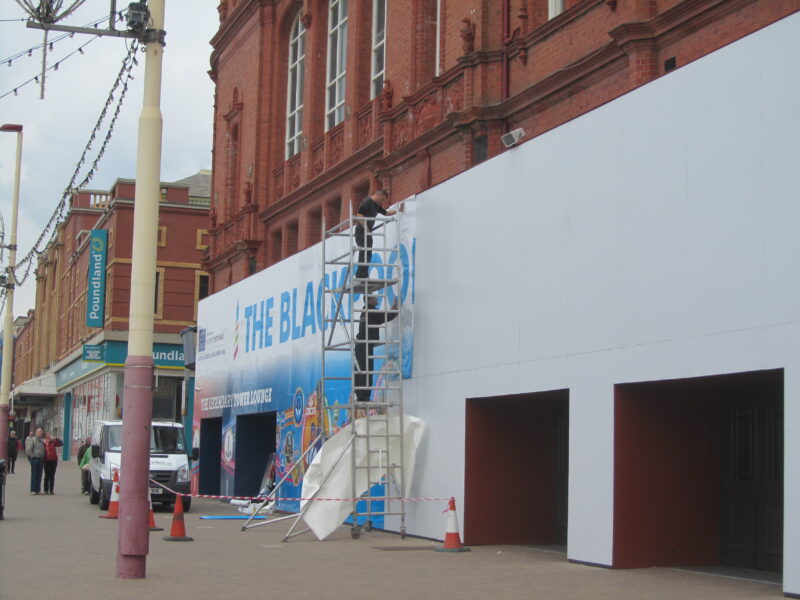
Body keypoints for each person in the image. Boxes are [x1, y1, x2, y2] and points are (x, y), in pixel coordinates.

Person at [353, 295, 399, 404]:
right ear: (368, 300)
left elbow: (382, 316)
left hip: (360, 344)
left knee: (360, 370)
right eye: (374, 298)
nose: (377, 299)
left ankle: (360, 396)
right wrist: (396, 309)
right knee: (366, 370)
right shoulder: (371, 311)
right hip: (364, 344)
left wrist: (392, 309)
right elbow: (385, 316)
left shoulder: (366, 311)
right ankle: (364, 397)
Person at [354, 189, 398, 280]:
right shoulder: (367, 202)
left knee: (368, 252)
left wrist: (397, 210)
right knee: (364, 251)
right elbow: (359, 214)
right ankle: (360, 275)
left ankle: (363, 273)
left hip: (367, 232)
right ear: (378, 195)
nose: (382, 202)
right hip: (361, 231)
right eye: (382, 199)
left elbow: (386, 213)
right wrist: (365, 227)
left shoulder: (376, 206)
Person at [25, 427, 46, 495]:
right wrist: (32, 456)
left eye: (41, 432)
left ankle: (38, 489)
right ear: (36, 432)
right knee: (34, 475)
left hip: (41, 460)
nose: (40, 433)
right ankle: (33, 489)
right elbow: (28, 450)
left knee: (39, 475)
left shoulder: (42, 440)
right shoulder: (33, 440)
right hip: (35, 460)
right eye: (39, 432)